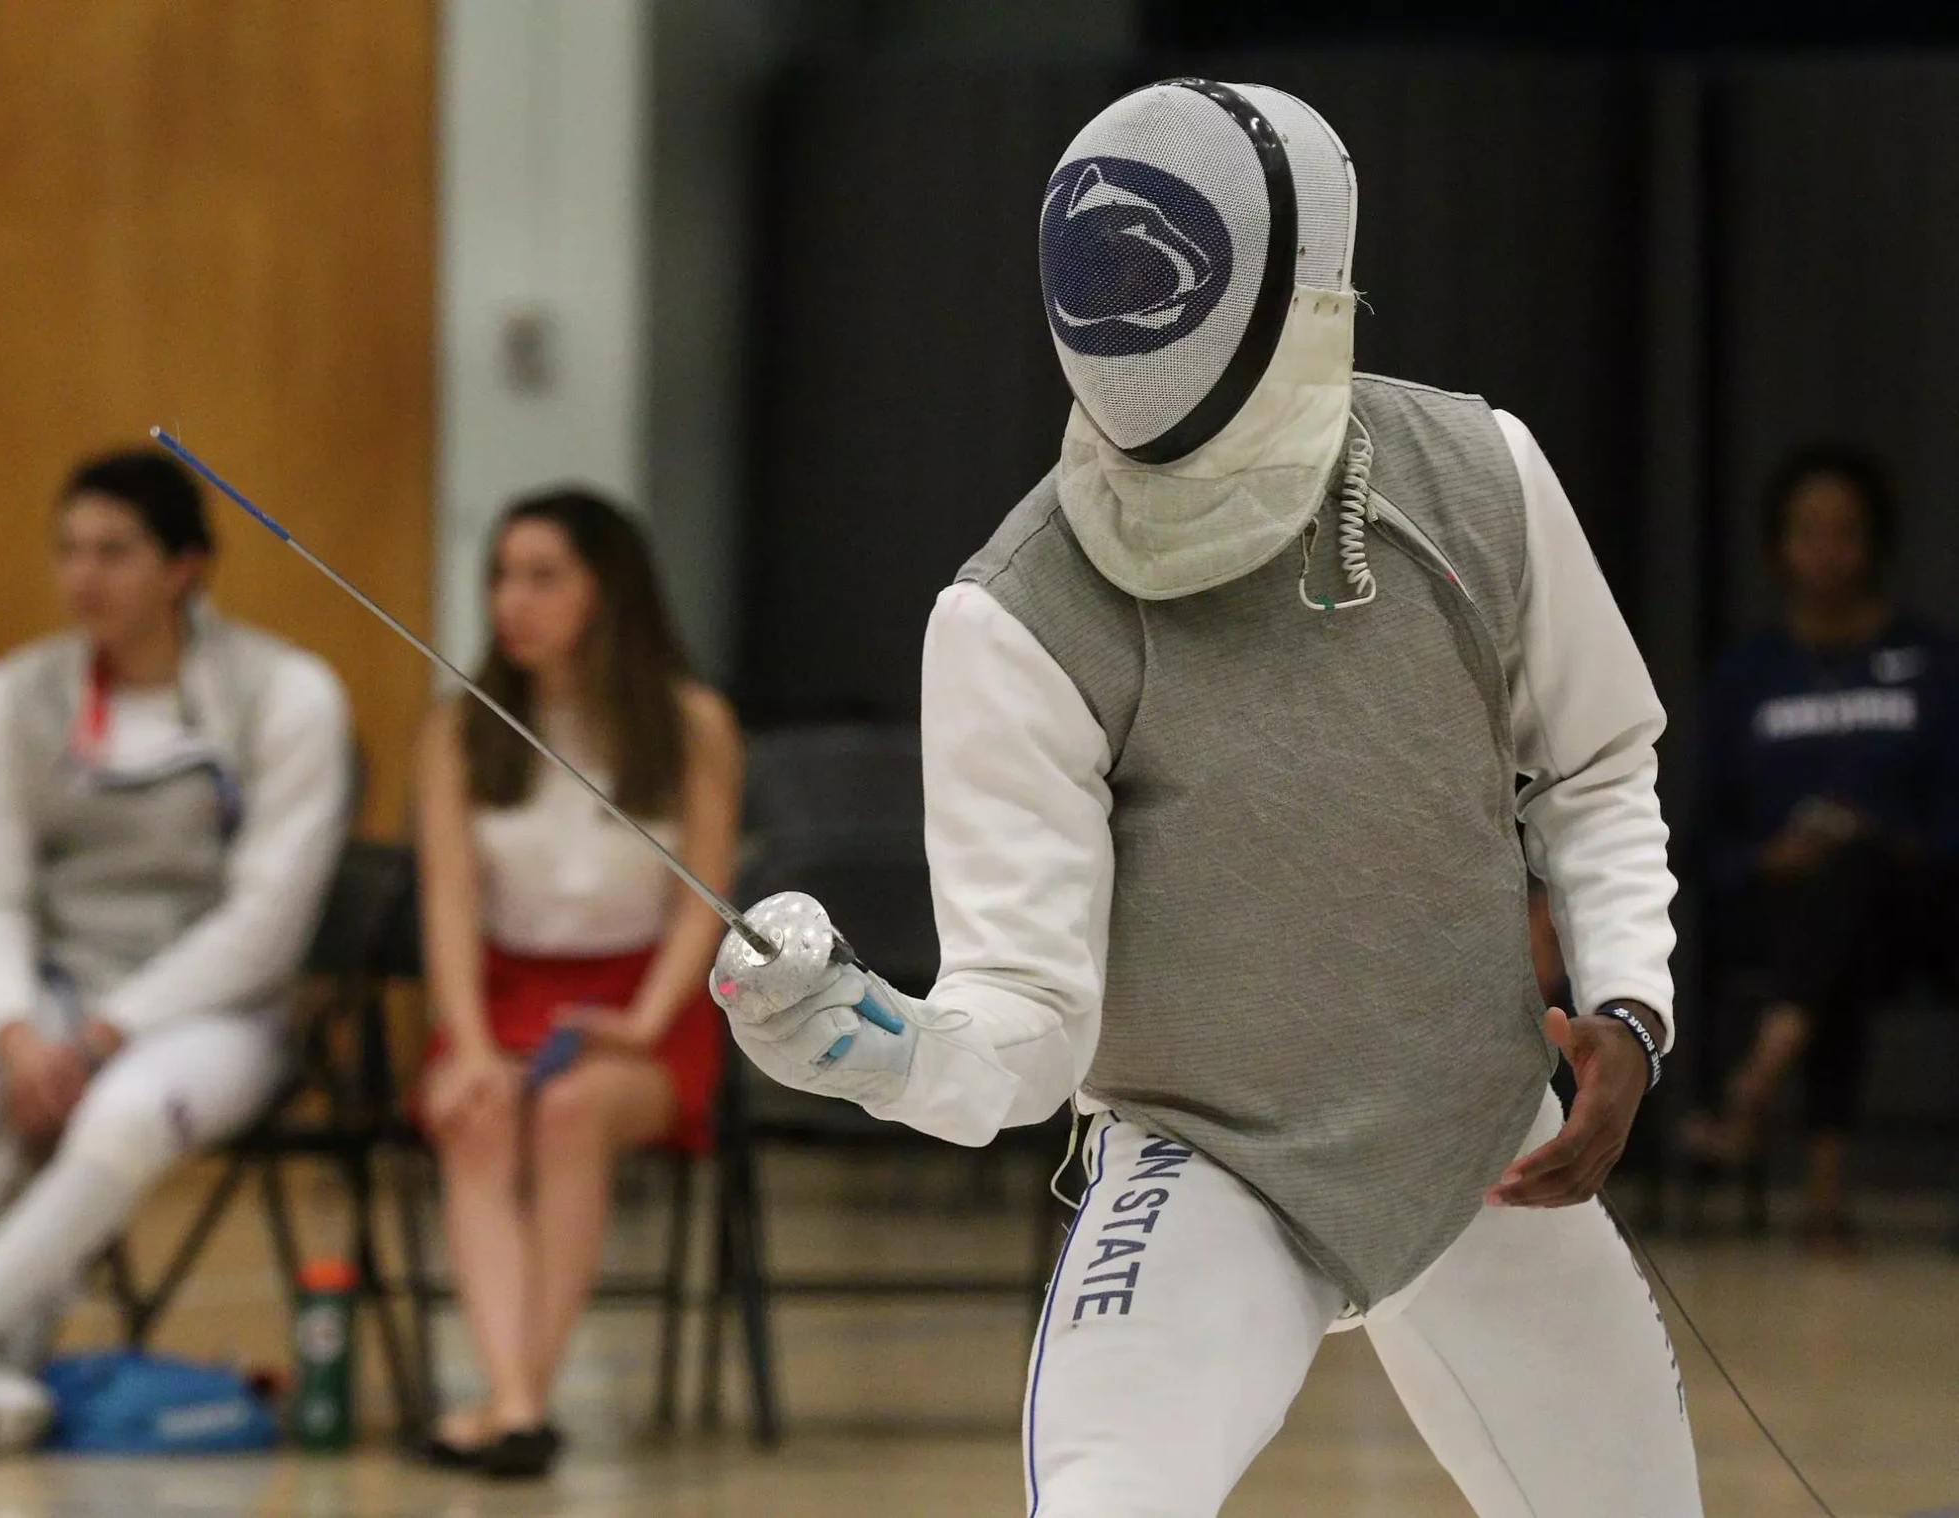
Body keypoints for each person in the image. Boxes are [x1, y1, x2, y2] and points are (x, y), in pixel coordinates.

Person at [709, 80, 1700, 1516]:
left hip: (1479, 1144)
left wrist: (1630, 1007)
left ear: (1321, 304)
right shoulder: (1014, 617)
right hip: (1206, 1160)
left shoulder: (1481, 476)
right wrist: (876, 1045)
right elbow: (1029, 1021)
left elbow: (1600, 765)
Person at [0, 450, 350, 1447]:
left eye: (115, 552)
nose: (83, 576)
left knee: (120, 1116)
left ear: (183, 567)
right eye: (68, 551)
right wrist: (19, 1033)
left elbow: (263, 925)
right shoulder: (14, 696)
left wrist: (105, 1034)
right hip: (52, 995)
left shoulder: (288, 695)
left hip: (217, 1017)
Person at [413, 488, 739, 1480]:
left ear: (608, 590)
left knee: (568, 1111)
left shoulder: (692, 724)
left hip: (649, 1001)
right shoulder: (458, 731)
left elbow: (705, 902)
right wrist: (469, 1045)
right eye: (502, 576)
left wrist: (640, 1021)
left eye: (542, 576)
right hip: (499, 994)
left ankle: (516, 1399)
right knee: (478, 1112)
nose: (513, 600)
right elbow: (451, 907)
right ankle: (518, 1403)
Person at [1684, 446, 1959, 1246]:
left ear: (1875, 543)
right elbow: (1703, 840)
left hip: (1919, 912)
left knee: (1855, 878)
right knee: (1834, 913)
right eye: (1809, 532)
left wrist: (1886, 843)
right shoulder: (1747, 675)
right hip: (1780, 908)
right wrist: (1768, 860)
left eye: (1847, 532)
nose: (1828, 551)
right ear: (1778, 547)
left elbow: (1952, 821)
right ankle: (1820, 1198)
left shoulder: (1933, 664)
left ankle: (1756, 1086)